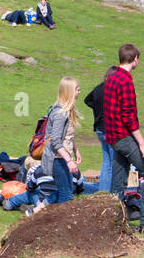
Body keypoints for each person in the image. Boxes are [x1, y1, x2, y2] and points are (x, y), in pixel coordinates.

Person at [105, 43, 144, 235]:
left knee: (118, 181)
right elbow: (128, 116)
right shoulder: (125, 81)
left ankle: (114, 222)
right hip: (124, 137)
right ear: (135, 59)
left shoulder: (111, 78)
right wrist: (142, 142)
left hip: (113, 136)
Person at [40, 76, 83, 204]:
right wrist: (69, 161)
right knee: (66, 195)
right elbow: (56, 141)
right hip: (57, 159)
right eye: (77, 89)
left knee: (67, 190)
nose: (79, 91)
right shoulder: (60, 114)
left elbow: (68, 136)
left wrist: (76, 151)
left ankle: (37, 210)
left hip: (63, 157)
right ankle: (62, 223)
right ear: (69, 92)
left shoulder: (68, 111)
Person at [84, 66, 119, 193]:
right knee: (114, 161)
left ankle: (104, 191)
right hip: (111, 128)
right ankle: (113, 192)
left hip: (99, 128)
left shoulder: (99, 88)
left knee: (106, 161)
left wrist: (98, 109)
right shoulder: (113, 89)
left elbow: (87, 100)